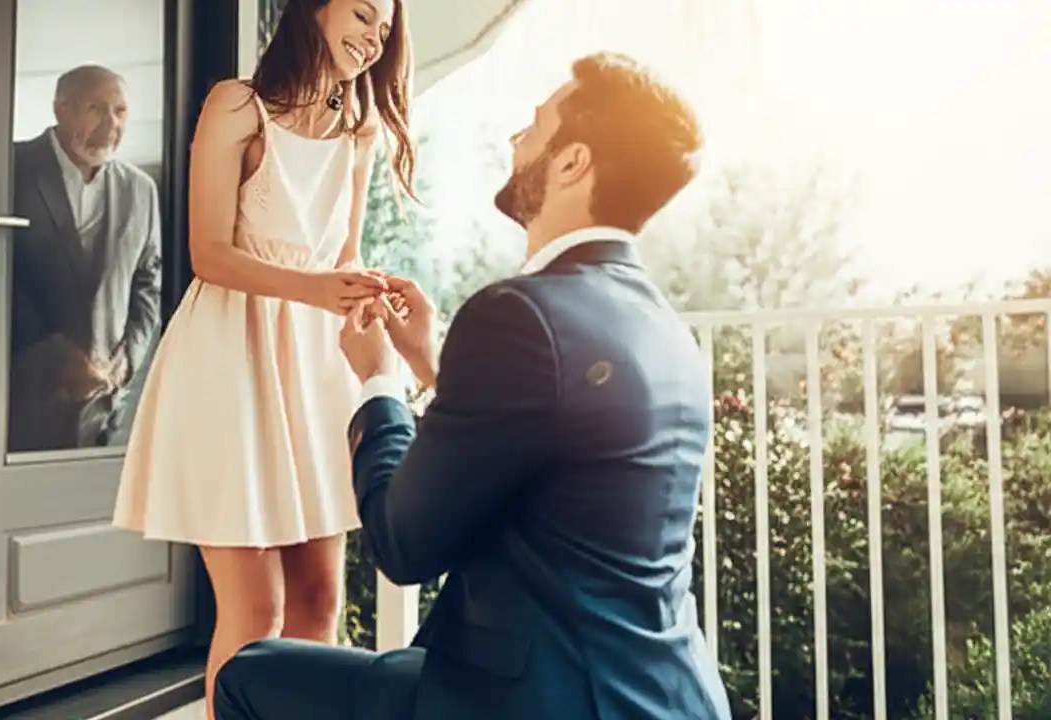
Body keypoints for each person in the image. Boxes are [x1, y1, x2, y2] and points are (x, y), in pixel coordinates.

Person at [212, 51, 733, 720]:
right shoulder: (666, 329)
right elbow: (547, 448)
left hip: (537, 700)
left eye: (535, 127)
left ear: (572, 162)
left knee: (249, 673)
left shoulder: (520, 311)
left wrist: (379, 382)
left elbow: (404, 544)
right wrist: (432, 363)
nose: (515, 140)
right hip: (666, 697)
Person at [110, 0, 415, 717]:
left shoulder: (359, 128)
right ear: (312, 9)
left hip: (316, 365)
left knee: (321, 597)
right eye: (361, 14)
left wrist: (366, 295)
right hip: (230, 356)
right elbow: (208, 252)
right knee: (255, 610)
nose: (373, 38)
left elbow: (341, 254)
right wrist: (316, 288)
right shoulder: (236, 105)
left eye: (384, 28)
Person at [9, 65, 162, 453]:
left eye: (120, 111)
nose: (111, 124)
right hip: (18, 400)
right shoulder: (8, 167)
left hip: (106, 408)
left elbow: (148, 282)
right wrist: (54, 354)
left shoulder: (141, 190)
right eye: (97, 108)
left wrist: (126, 361)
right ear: (63, 108)